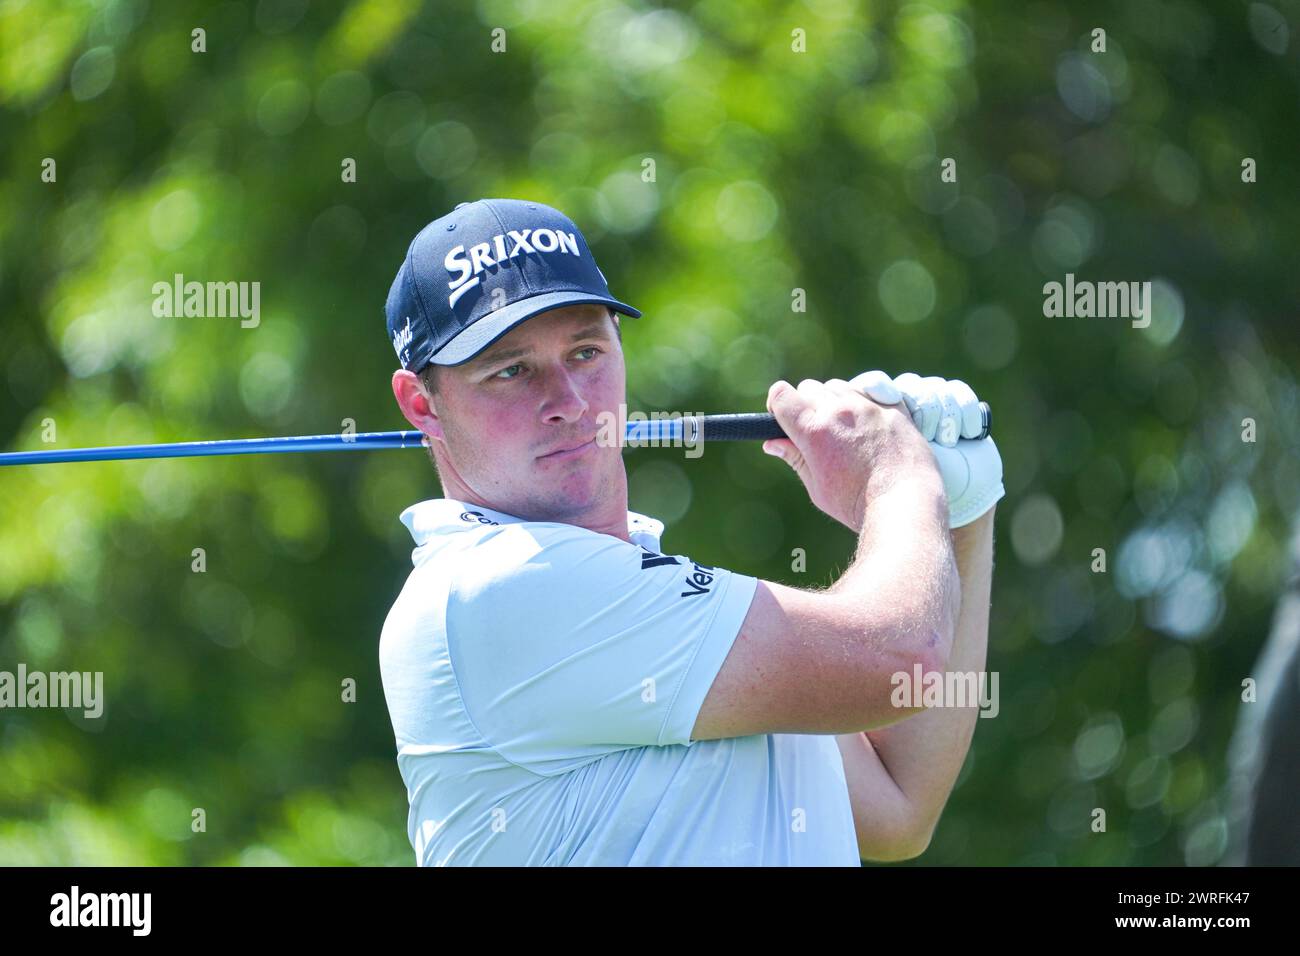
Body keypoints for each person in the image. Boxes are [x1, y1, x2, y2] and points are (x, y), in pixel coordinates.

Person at [378, 198, 1003, 865]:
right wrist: (898, 478)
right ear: (422, 405)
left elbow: (896, 807)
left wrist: (961, 511)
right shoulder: (493, 589)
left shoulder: (649, 602)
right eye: (510, 370)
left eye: (586, 352)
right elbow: (899, 659)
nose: (569, 402)